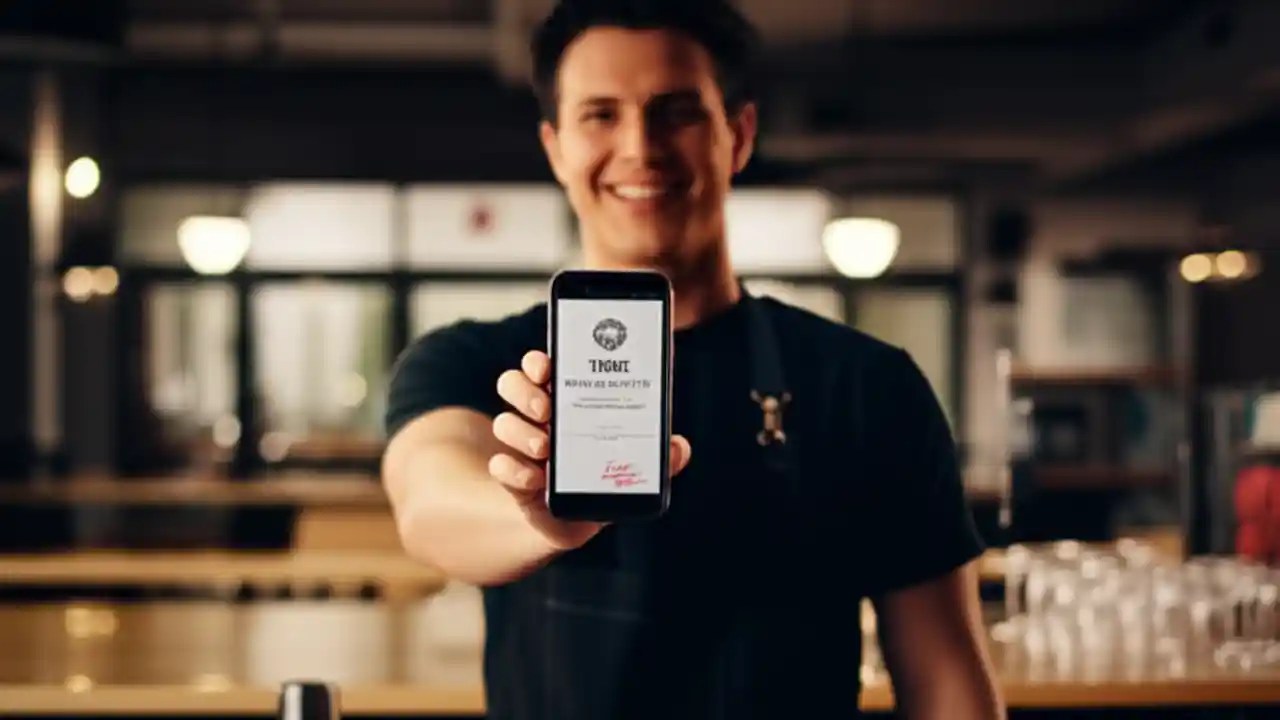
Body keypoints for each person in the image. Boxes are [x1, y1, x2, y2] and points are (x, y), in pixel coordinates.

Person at [381, 0, 1004, 717]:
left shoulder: (867, 383)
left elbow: (945, 679)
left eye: (675, 111)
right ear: (555, 147)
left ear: (737, 135)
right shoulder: (470, 360)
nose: (640, 147)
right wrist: (535, 519)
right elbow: (429, 508)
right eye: (600, 114)